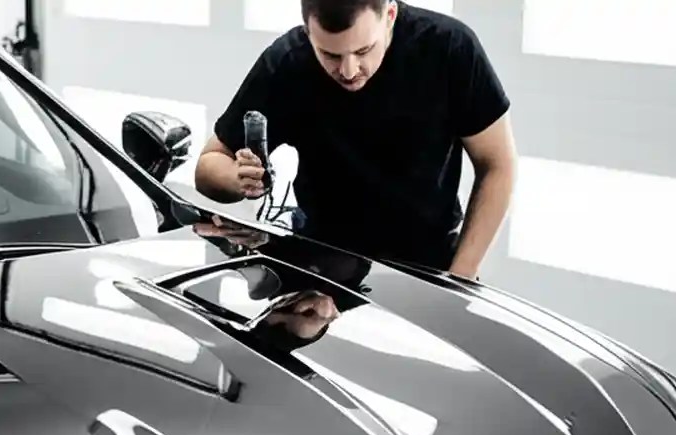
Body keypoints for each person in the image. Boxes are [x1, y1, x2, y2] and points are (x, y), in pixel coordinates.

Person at [195, 0, 517, 280]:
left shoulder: (450, 47)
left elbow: (497, 165)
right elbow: (209, 165)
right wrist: (237, 178)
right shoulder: (286, 60)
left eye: (363, 50)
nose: (349, 71)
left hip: (429, 263)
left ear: (390, 15)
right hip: (320, 265)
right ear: (308, 31)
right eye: (330, 54)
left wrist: (460, 277)